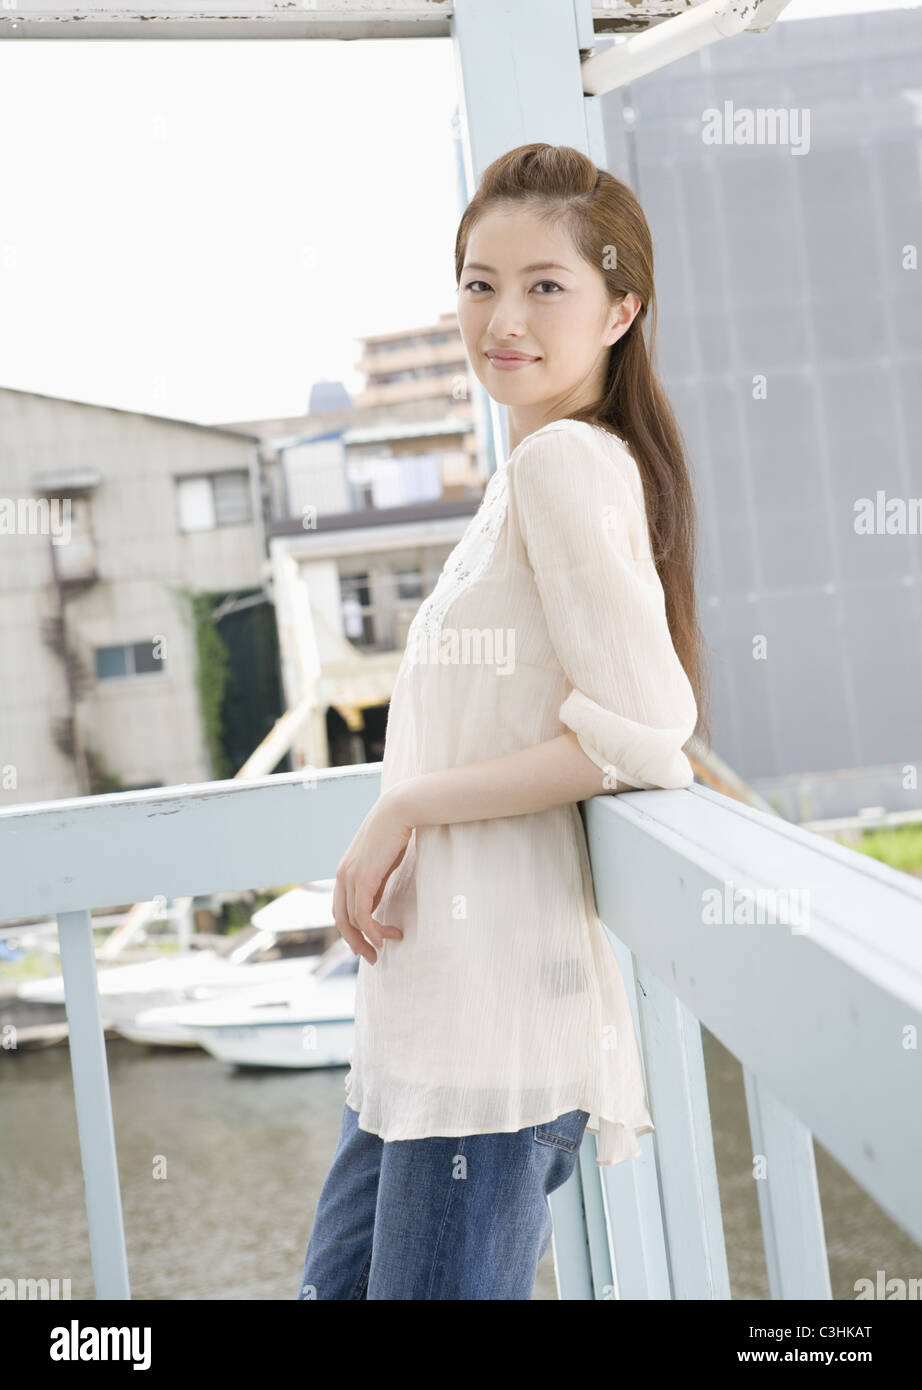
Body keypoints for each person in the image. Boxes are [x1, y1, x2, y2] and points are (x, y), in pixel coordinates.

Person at [296, 142, 711, 1301]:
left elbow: (643, 728)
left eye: (545, 285)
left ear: (620, 309)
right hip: (431, 1020)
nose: (503, 318)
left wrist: (408, 806)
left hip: (491, 1034)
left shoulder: (564, 464)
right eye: (480, 284)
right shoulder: (526, 472)